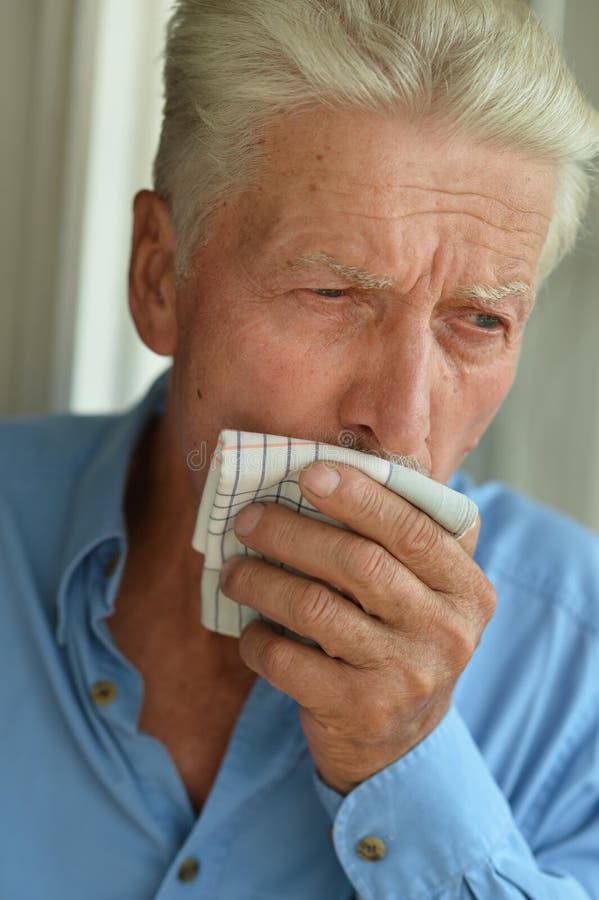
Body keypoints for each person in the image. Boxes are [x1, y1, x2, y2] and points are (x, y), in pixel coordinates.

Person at [1, 1, 599, 897]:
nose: (398, 424)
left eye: (478, 320)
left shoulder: (581, 664)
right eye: (329, 292)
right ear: (162, 278)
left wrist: (404, 758)